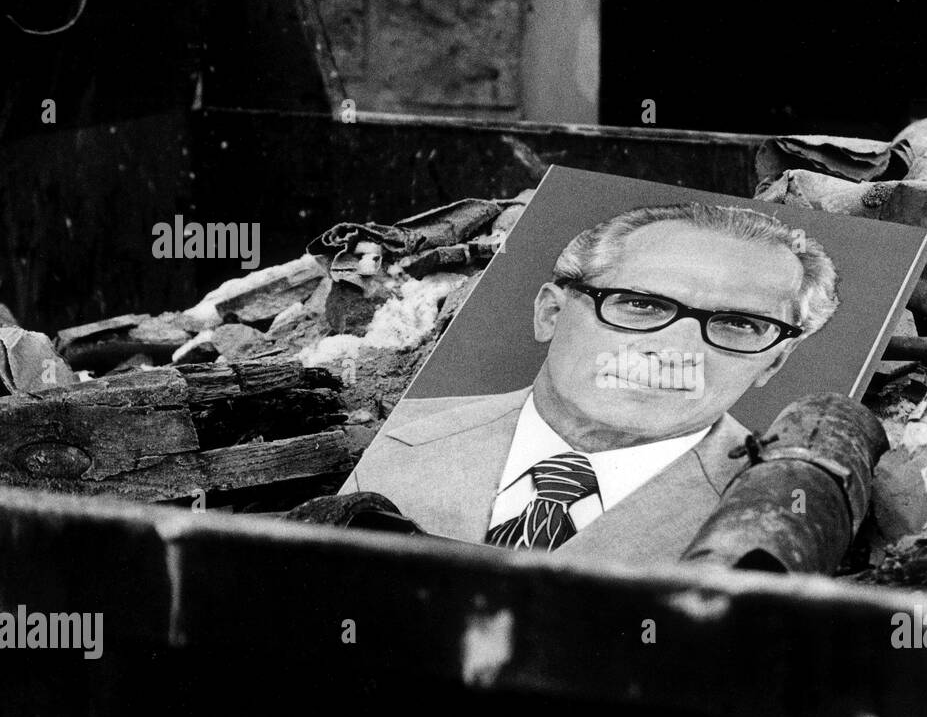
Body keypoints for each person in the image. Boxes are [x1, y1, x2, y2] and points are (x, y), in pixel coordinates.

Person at [338, 202, 840, 566]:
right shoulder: (392, 436)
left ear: (774, 363)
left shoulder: (781, 518)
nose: (677, 351)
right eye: (641, 304)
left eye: (739, 324)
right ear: (551, 313)